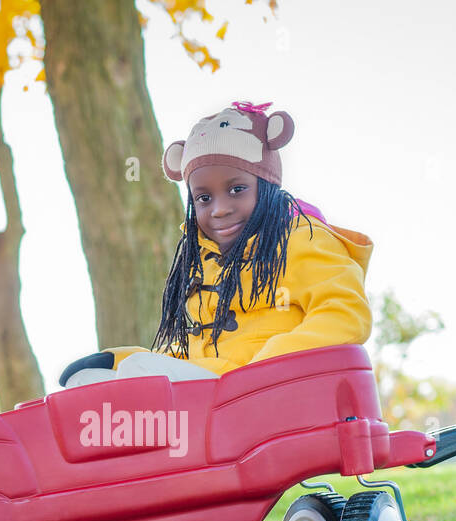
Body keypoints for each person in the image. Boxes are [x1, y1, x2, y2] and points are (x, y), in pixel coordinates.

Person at [60, 101, 374, 387]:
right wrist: (124, 358)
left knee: (142, 379)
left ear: (265, 187)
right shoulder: (205, 263)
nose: (219, 209)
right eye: (204, 198)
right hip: (212, 391)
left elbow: (345, 313)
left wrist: (269, 364)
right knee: (90, 382)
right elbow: (193, 350)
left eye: (237, 189)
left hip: (272, 392)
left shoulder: (298, 237)